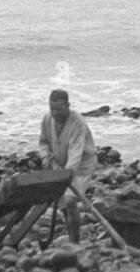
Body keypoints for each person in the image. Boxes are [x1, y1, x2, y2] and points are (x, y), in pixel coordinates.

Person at [38, 88, 97, 244]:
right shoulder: (47, 119)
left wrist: (67, 174)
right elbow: (43, 142)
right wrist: (45, 157)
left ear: (68, 105)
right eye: (52, 109)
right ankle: (71, 237)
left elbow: (75, 153)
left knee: (70, 200)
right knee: (63, 205)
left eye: (59, 109)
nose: (55, 113)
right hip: (59, 164)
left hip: (82, 165)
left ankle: (75, 242)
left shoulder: (78, 122)